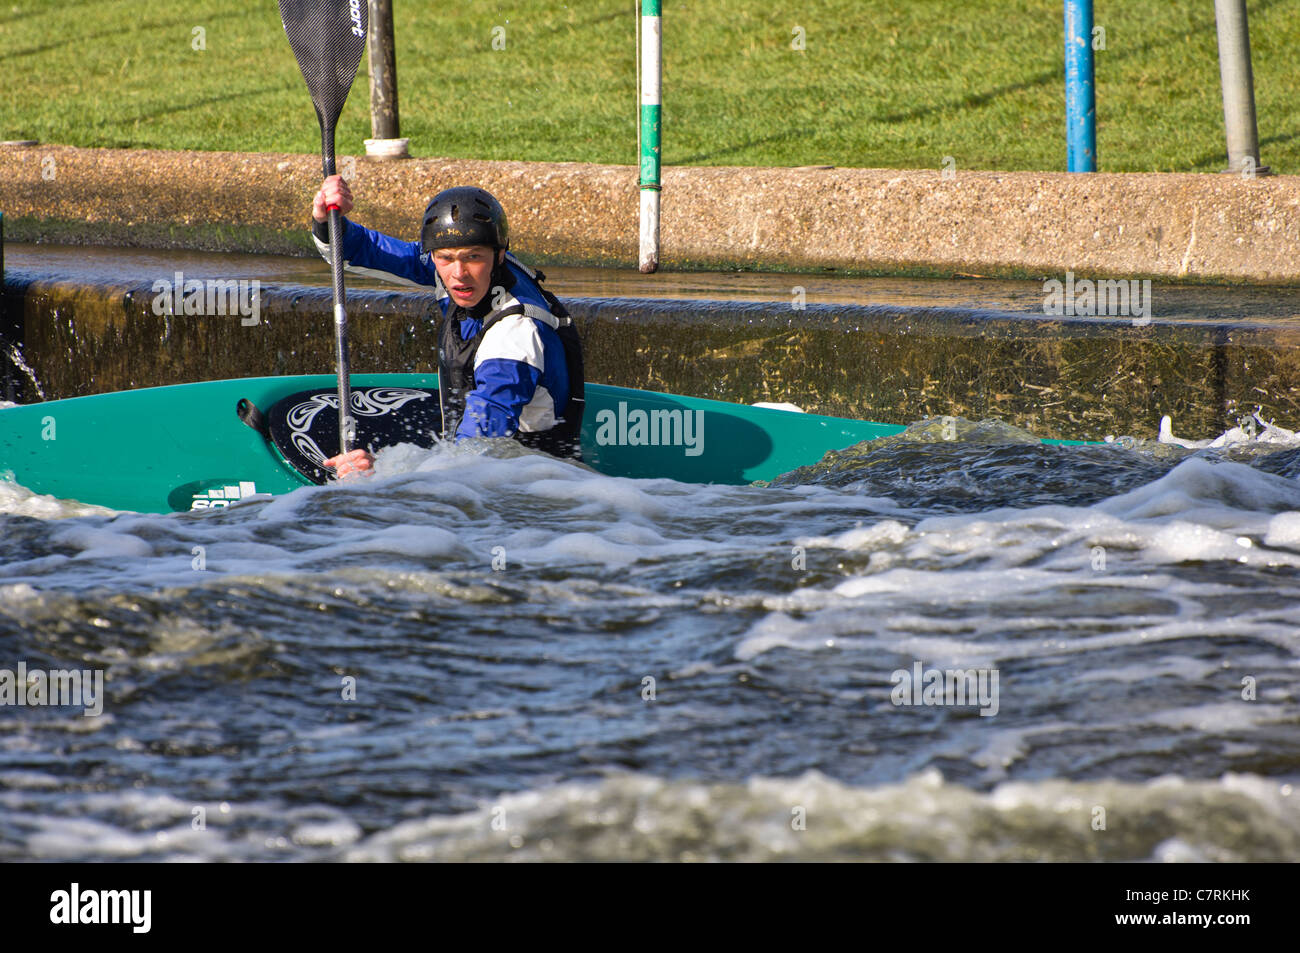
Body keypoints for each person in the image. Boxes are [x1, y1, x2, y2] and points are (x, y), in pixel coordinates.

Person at [310, 176, 584, 479]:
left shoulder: (515, 335)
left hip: (532, 485)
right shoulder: (458, 269)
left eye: (473, 258)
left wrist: (384, 476)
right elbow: (364, 251)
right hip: (487, 466)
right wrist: (327, 219)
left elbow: (472, 454)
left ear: (500, 254)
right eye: (445, 258)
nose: (458, 274)